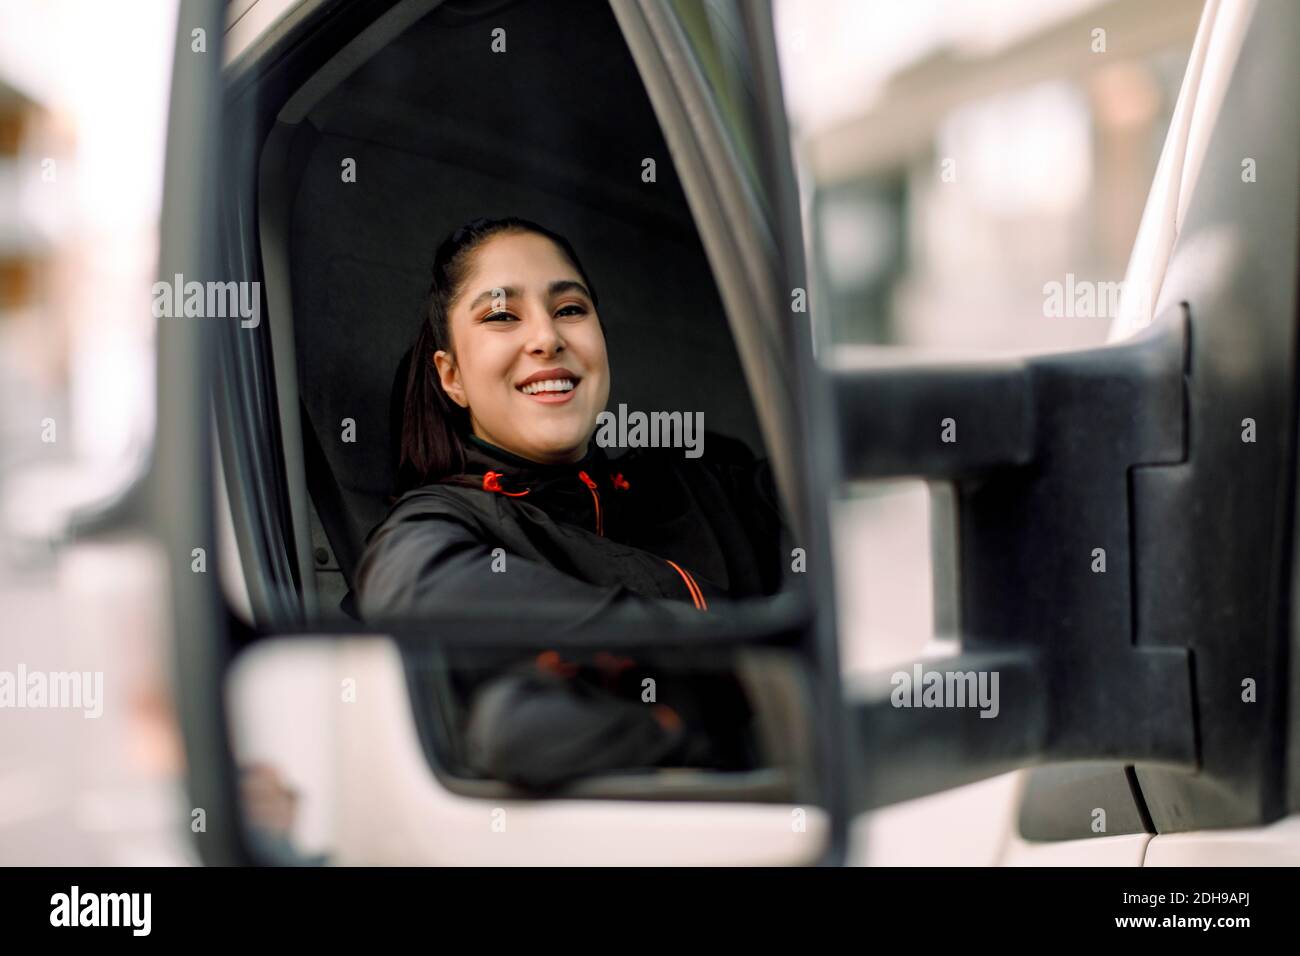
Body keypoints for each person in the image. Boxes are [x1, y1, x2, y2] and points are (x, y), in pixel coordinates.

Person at [354, 216, 789, 790]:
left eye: (570, 310)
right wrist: (749, 665)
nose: (546, 338)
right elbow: (410, 591)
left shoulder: (707, 480)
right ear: (451, 376)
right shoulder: (436, 526)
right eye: (502, 315)